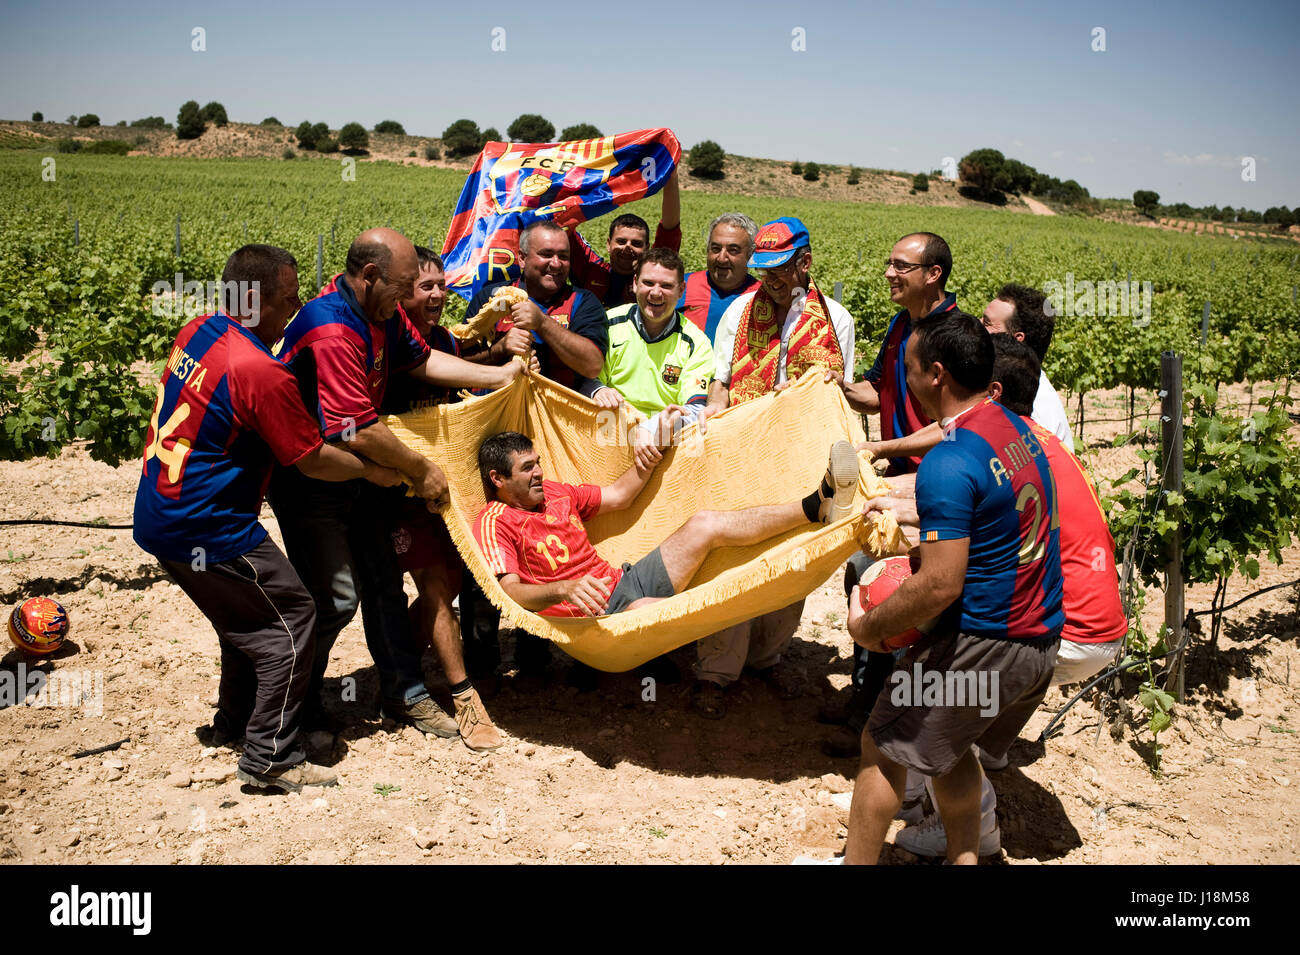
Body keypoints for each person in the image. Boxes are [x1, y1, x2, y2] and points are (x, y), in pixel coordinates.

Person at [134, 244, 404, 793]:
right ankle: (270, 757)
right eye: (287, 298)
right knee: (294, 619)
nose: (295, 307)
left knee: (246, 621)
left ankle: (234, 721)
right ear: (254, 300)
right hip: (210, 526)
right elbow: (313, 460)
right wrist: (376, 472)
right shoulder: (260, 370)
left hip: (159, 512)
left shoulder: (197, 331)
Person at [270, 228, 522, 739]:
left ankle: (404, 694)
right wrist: (421, 469)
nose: (411, 297)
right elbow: (356, 429)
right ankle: (291, 707)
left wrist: (496, 376)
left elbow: (422, 359)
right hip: (309, 478)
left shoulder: (381, 311)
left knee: (384, 581)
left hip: (359, 471)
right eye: (405, 286)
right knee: (335, 597)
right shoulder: (332, 328)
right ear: (370, 276)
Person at [888, 334, 1125, 857]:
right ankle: (948, 770)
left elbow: (951, 535)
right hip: (1094, 624)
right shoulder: (1032, 441)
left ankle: (964, 817)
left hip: (1061, 627)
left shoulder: (991, 444)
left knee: (927, 655)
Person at [843, 311, 1063, 865]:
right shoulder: (1012, 428)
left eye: (908, 367)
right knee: (948, 745)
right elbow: (987, 517)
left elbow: (940, 585)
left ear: (936, 374)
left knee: (883, 744)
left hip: (984, 642)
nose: (904, 377)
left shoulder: (948, 461)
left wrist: (868, 628)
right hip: (1038, 641)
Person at [691, 216, 855, 718]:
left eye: (781, 269)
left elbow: (836, 393)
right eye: (765, 269)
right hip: (743, 455)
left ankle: (768, 657)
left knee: (791, 560)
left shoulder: (836, 320)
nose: (772, 279)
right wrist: (713, 421)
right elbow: (722, 381)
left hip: (801, 459)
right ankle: (716, 670)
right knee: (733, 558)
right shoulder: (741, 311)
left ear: (805, 262)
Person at [819, 231, 957, 754]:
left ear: (933, 274)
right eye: (889, 263)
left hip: (932, 485)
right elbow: (876, 392)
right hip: (893, 481)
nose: (889, 274)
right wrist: (834, 385)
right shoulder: (902, 325)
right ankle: (867, 700)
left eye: (901, 266)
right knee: (867, 577)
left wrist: (881, 447)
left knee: (902, 596)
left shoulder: (953, 335)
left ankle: (889, 723)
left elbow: (956, 423)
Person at [472, 432, 860, 618]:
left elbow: (620, 496)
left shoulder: (555, 491)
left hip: (624, 581)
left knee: (704, 523)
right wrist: (564, 589)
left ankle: (815, 507)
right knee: (653, 609)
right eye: (528, 468)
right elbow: (510, 593)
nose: (539, 473)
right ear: (498, 478)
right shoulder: (495, 522)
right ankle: (746, 603)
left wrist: (651, 454)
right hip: (595, 618)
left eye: (538, 463)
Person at [459, 219, 612, 677]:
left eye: (563, 256)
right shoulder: (492, 298)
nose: (556, 263)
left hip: (552, 442)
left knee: (546, 540)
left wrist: (543, 323)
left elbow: (592, 362)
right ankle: (482, 660)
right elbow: (462, 357)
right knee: (484, 549)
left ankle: (536, 652)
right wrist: (500, 349)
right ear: (522, 258)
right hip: (491, 441)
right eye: (545, 254)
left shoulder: (582, 302)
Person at [379, 247, 505, 751]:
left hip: (440, 489)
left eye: (441, 286)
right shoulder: (390, 343)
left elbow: (460, 386)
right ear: (401, 292)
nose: (436, 295)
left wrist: (500, 360)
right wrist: (497, 367)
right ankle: (463, 695)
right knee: (433, 584)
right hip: (398, 490)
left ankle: (398, 678)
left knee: (448, 583)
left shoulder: (446, 340)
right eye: (424, 286)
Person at [586, 247, 714, 463]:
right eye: (648, 283)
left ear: (681, 290)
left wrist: (653, 428)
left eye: (666, 286)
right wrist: (597, 389)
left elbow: (695, 408)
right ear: (635, 283)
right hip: (608, 434)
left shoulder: (696, 342)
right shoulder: (608, 323)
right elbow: (581, 378)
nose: (656, 293)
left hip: (665, 445)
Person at [979, 283, 1075, 449]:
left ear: (1016, 339)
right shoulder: (1013, 384)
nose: (976, 325)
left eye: (987, 323)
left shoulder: (1036, 407)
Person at [568, 168, 681, 307]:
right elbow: (563, 225)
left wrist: (671, 177)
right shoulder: (591, 269)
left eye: (636, 243)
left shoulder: (652, 277)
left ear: (647, 248)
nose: (628, 247)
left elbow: (670, 229)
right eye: (621, 241)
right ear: (608, 244)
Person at [678, 213, 759, 341]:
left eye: (733, 250)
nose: (722, 258)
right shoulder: (682, 286)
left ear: (750, 255)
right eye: (715, 248)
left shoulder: (762, 296)